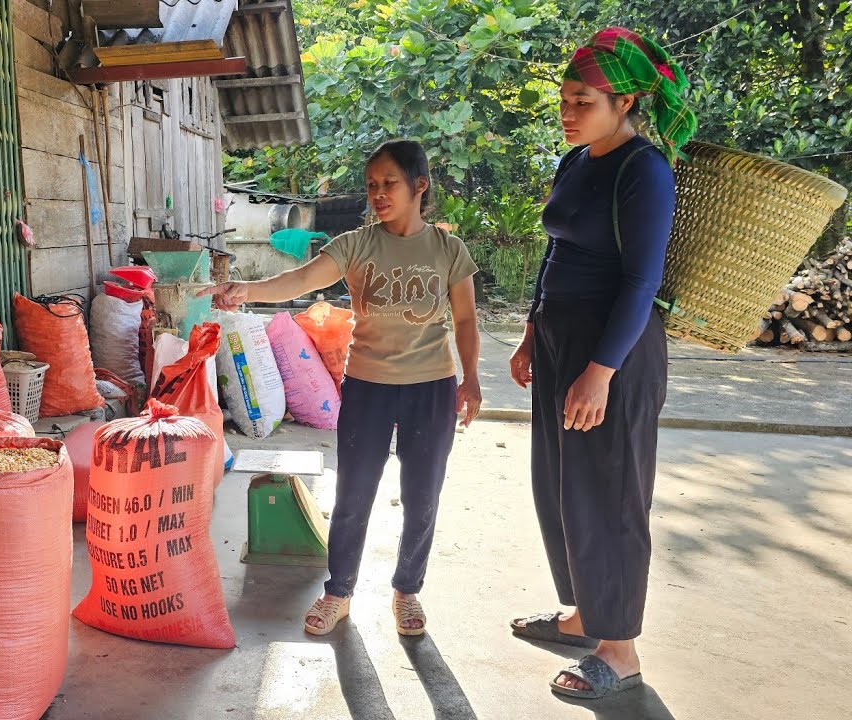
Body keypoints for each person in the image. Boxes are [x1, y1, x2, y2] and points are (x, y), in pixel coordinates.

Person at [199, 139, 482, 637]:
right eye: (371, 185)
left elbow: (465, 321)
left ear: (420, 185)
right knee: (354, 493)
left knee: (422, 496)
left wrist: (472, 379)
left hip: (432, 387)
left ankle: (407, 591)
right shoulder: (357, 244)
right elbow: (300, 279)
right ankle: (339, 592)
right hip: (369, 387)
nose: (377, 193)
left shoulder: (447, 248)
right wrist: (247, 291)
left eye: (389, 183)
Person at [507, 27, 696, 700]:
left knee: (611, 496)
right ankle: (586, 615)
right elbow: (554, 253)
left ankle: (620, 652)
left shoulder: (643, 170)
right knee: (562, 488)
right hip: (561, 341)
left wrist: (600, 371)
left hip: (613, 351)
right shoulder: (576, 161)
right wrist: (531, 333)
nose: (567, 112)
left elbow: (641, 281)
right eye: (563, 99)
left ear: (625, 102)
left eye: (581, 100)